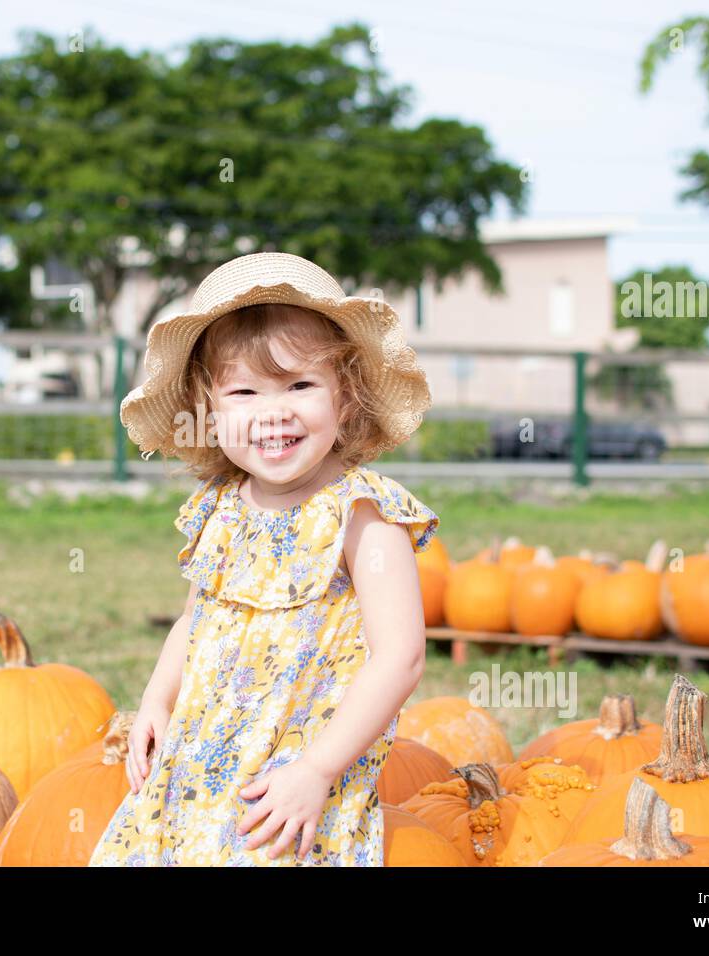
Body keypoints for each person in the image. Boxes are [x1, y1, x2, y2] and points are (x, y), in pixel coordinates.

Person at [88, 251, 439, 866]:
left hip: (291, 784)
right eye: (245, 392)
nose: (273, 412)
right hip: (197, 773)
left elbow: (401, 656)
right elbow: (194, 622)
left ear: (346, 398)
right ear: (212, 411)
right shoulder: (220, 509)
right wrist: (156, 700)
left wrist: (317, 769)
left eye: (300, 386)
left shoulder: (362, 513)